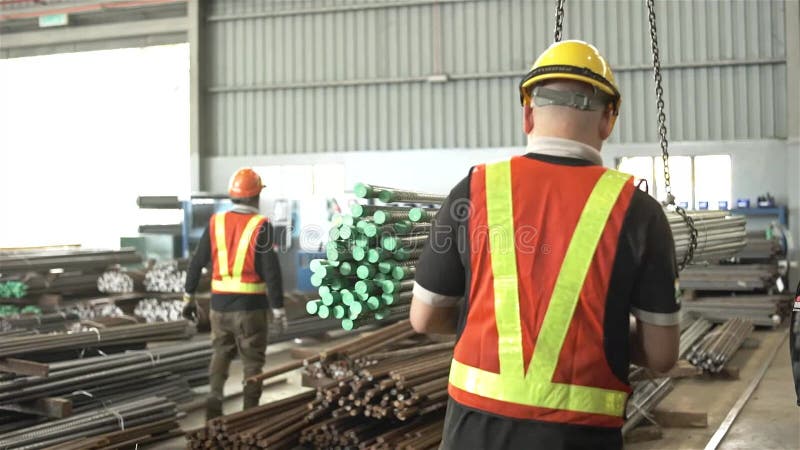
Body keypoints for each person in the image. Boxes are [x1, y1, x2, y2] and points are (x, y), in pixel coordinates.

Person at [410, 40, 680, 450]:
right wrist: (597, 334)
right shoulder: (640, 212)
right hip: (578, 437)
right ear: (608, 120)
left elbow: (426, 318)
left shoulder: (473, 191)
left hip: (472, 432)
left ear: (527, 114)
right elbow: (661, 356)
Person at [183, 167, 287, 420]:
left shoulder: (216, 222)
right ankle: (249, 417)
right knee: (252, 362)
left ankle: (214, 401)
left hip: (219, 308)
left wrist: (189, 297)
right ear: (255, 197)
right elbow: (271, 271)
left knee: (221, 352)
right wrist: (279, 309)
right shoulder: (260, 225)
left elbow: (196, 262)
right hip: (251, 309)